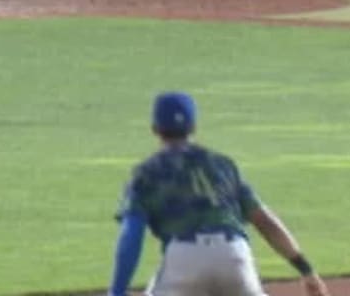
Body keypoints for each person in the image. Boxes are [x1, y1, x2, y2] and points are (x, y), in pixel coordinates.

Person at [108, 92, 331, 296]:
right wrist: (306, 270)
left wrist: (117, 292)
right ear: (193, 127)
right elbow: (264, 220)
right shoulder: (222, 166)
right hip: (235, 255)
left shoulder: (146, 173)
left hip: (184, 259)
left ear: (155, 129)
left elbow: (131, 236)